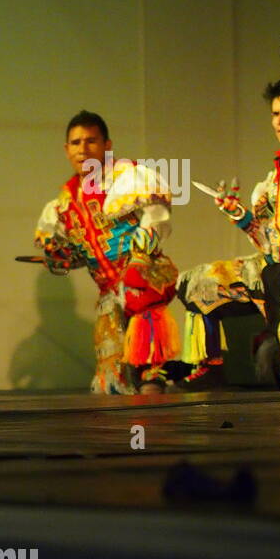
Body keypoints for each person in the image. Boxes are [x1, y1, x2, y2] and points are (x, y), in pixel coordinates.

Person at [175, 77, 280, 392]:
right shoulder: (279, 171)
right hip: (275, 266)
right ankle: (209, 366)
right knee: (195, 283)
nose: (279, 120)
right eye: (275, 113)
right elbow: (268, 240)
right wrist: (239, 215)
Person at [32, 111, 180, 394]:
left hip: (142, 282)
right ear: (66, 150)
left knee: (148, 369)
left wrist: (138, 263)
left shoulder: (129, 178)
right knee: (112, 379)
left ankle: (157, 418)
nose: (83, 149)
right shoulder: (62, 205)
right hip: (108, 296)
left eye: (91, 141)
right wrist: (57, 258)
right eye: (76, 143)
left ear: (107, 146)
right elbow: (74, 256)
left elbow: (157, 218)